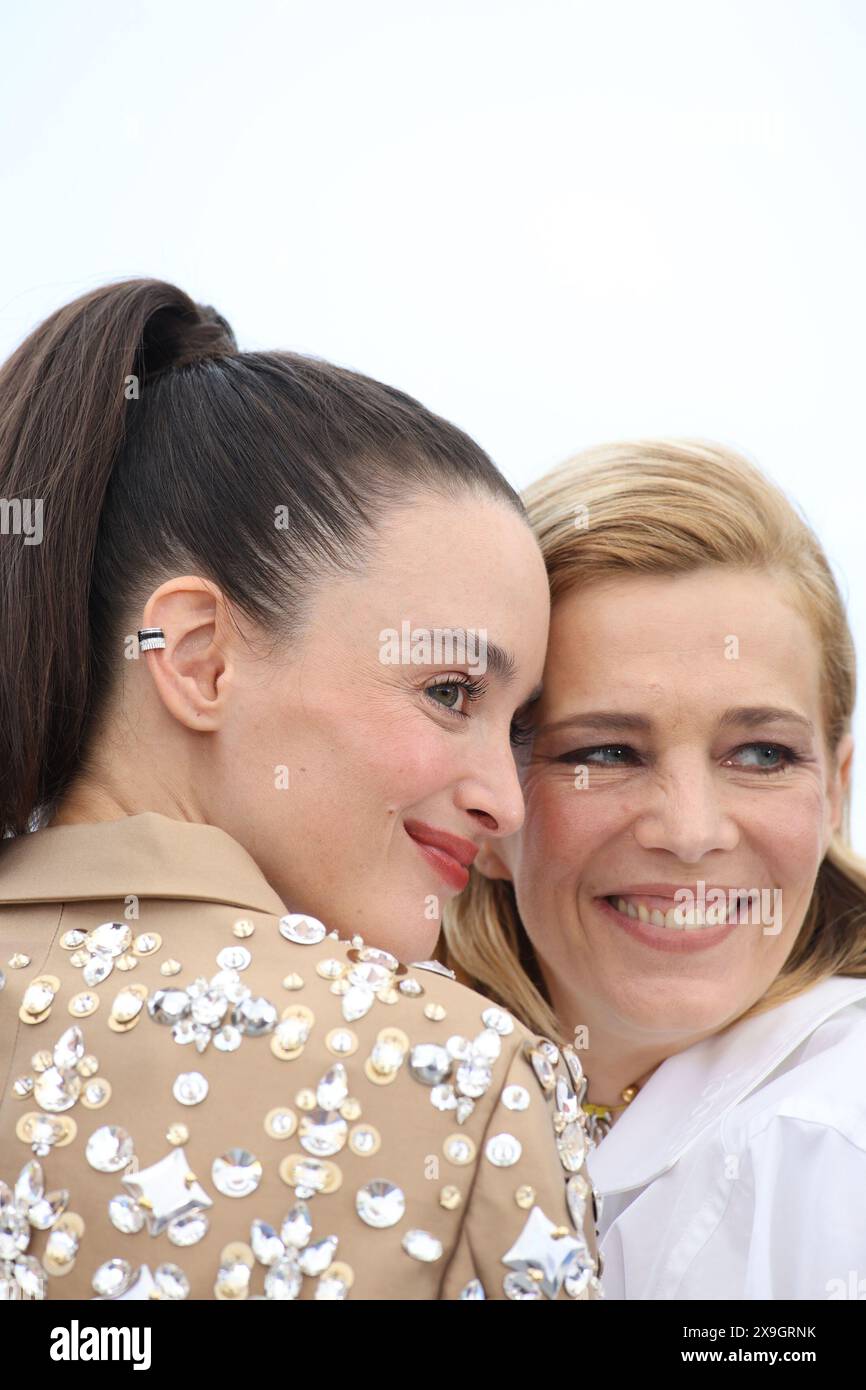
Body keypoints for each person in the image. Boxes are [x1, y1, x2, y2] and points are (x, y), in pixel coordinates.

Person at [0, 279, 600, 1301]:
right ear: (197, 658)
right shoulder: (460, 1079)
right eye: (448, 690)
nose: (505, 799)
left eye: (519, 728)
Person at [442, 438, 866, 1299]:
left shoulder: (828, 1136)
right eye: (605, 750)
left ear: (835, 795)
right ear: (483, 799)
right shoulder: (391, 1098)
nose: (690, 830)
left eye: (759, 752)